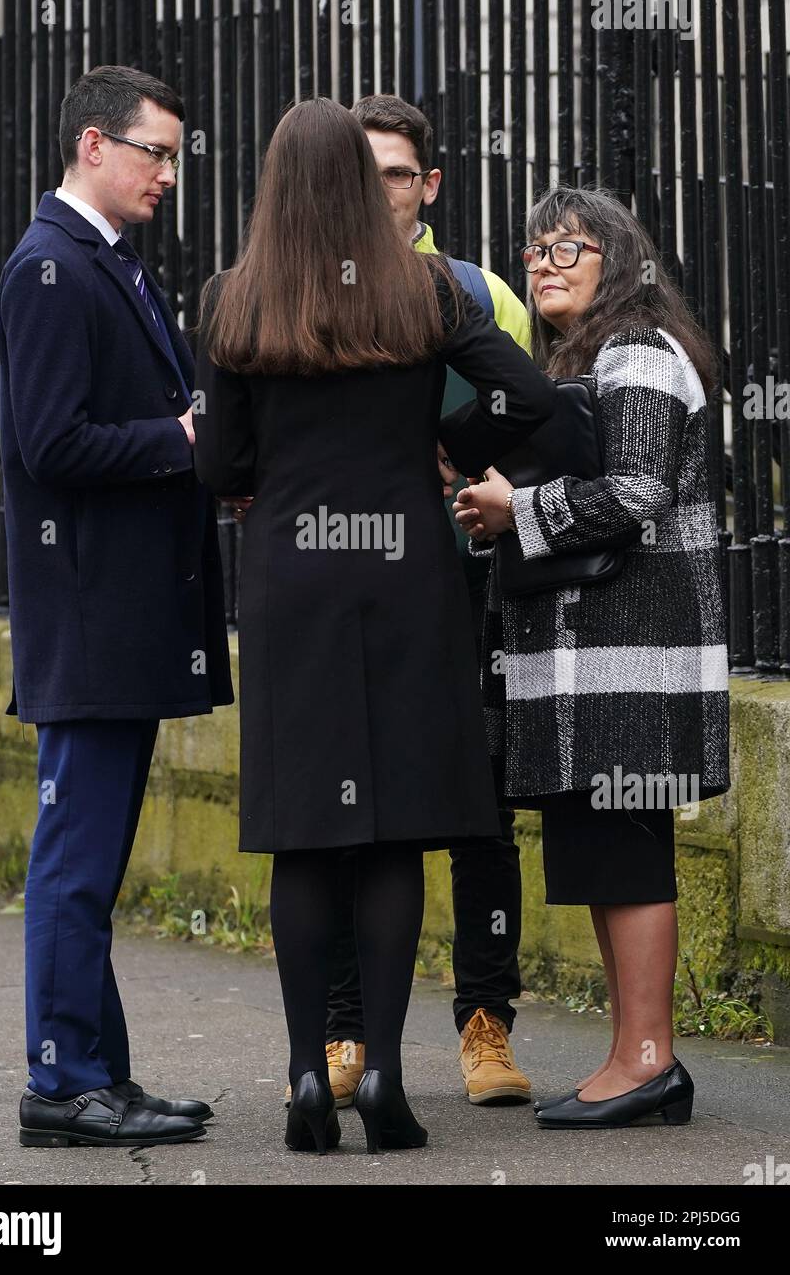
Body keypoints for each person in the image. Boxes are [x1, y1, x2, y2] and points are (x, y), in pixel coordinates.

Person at [193, 97, 556, 1154]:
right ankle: (387, 1075)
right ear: (362, 185)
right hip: (404, 578)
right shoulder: (428, 289)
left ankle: (312, 1072)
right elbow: (529, 396)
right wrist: (438, 440)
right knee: (395, 827)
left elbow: (220, 468)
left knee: (304, 832)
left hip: (292, 582)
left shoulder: (232, 299)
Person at [454, 185, 730, 1129]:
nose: (542, 265)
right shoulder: (585, 357)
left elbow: (641, 488)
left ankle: (649, 1063)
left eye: (567, 249)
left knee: (629, 851)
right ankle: (633, 1057)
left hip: (634, 656)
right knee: (605, 857)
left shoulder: (640, 348)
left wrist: (514, 511)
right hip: (595, 662)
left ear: (619, 260)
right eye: (533, 251)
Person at [0, 65, 233, 1148]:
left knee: (91, 862)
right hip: (88, 623)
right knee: (73, 865)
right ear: (94, 143)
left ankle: (104, 1075)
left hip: (122, 622)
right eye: (156, 152)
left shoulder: (108, 263)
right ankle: (59, 1083)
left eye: (176, 155)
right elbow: (50, 445)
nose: (169, 175)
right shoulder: (49, 268)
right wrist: (179, 439)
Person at [314, 94, 534, 1109]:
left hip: (470, 576)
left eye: (396, 173)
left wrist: (463, 458)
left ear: (429, 185)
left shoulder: (477, 289)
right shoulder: (305, 284)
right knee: (352, 814)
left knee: (479, 814)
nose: (379, 192)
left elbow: (529, 408)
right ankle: (346, 1034)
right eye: (362, 172)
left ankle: (484, 1028)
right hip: (352, 585)